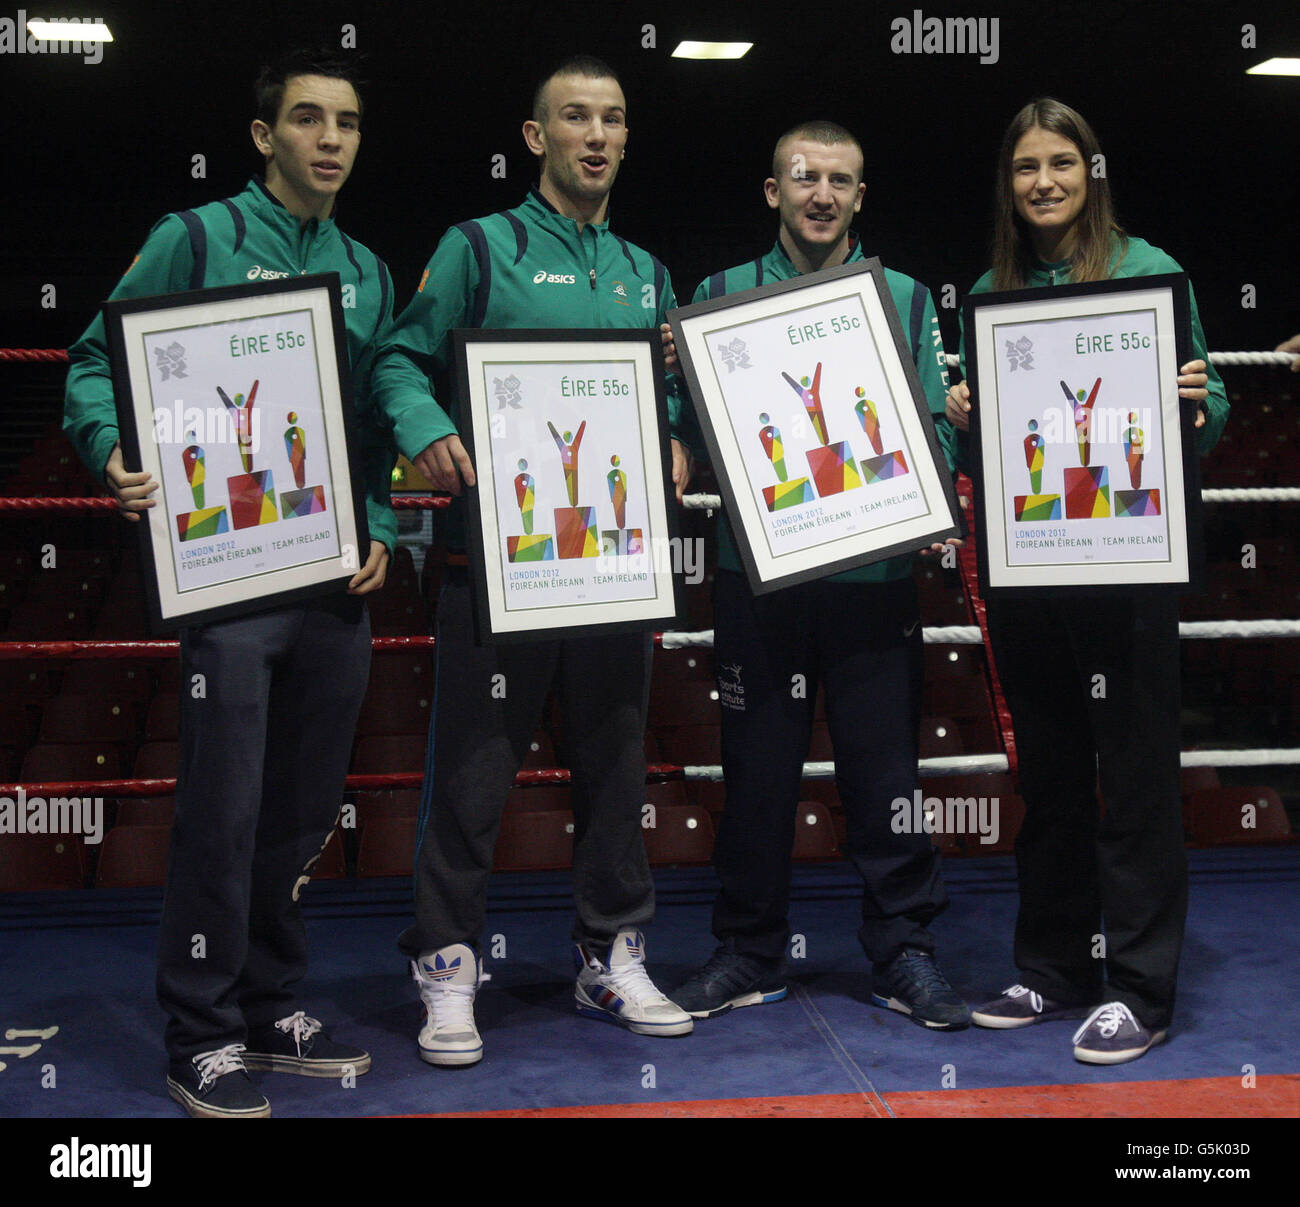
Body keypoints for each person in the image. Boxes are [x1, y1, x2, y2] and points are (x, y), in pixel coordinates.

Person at [63, 47, 408, 1117]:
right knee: (223, 808)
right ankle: (198, 1030)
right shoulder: (197, 237)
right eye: (308, 120)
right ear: (265, 137)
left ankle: (267, 1001)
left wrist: (387, 520)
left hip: (330, 579)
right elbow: (90, 360)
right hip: (228, 575)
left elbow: (370, 420)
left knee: (301, 812)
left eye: (346, 122)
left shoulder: (368, 267)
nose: (330, 139)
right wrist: (107, 446)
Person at [371, 55, 697, 1067]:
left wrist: (681, 437)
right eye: (574, 118)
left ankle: (610, 954)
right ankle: (447, 964)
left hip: (611, 564)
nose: (595, 134)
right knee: (472, 779)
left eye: (611, 119)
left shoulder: (647, 271)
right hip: (496, 569)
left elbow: (671, 398)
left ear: (626, 137)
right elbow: (396, 357)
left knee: (613, 768)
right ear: (535, 136)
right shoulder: (477, 246)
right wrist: (423, 425)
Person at [667, 121, 971, 1030]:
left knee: (887, 777)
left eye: (842, 180)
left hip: (874, 580)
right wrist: (678, 425)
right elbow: (683, 431)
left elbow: (934, 428)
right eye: (805, 178)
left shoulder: (908, 301)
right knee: (756, 777)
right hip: (756, 583)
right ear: (774, 191)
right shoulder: (715, 298)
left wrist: (930, 498)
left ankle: (905, 951)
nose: (822, 195)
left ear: (860, 197)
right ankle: (748, 949)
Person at [945, 97, 1229, 1064]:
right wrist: (962, 412)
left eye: (1062, 163)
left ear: (1091, 172)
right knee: (1053, 774)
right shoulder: (993, 286)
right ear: (1009, 183)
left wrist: (1195, 402)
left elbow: (1212, 405)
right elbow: (989, 447)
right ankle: (1055, 964)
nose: (1045, 182)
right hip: (1035, 573)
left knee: (1139, 777)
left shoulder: (1152, 272)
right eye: (1026, 167)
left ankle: (1143, 990)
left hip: (1132, 572)